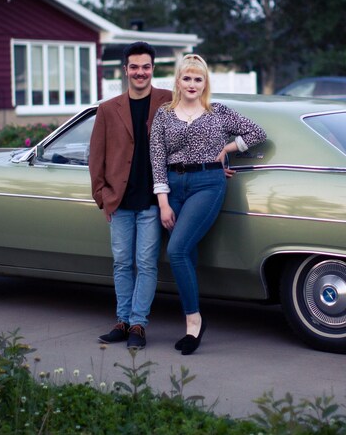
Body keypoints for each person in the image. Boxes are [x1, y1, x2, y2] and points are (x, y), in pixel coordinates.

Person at [150, 54, 266, 355]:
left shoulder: (218, 112)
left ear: (205, 83)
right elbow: (157, 159)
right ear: (178, 81)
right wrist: (163, 202)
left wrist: (227, 147)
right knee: (185, 251)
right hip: (173, 186)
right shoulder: (164, 114)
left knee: (176, 249)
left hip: (208, 183)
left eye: (198, 79)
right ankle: (196, 311)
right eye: (186, 78)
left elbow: (257, 133)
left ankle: (193, 320)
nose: (192, 84)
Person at [89, 41, 173, 350]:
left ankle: (139, 324)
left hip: (153, 201)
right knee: (122, 263)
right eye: (134, 67)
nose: (140, 72)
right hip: (119, 201)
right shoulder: (108, 109)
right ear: (125, 70)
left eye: (146, 67)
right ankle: (121, 322)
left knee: (147, 264)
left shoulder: (168, 102)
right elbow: (96, 156)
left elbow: (196, 127)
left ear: (153, 69)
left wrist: (219, 159)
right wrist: (101, 195)